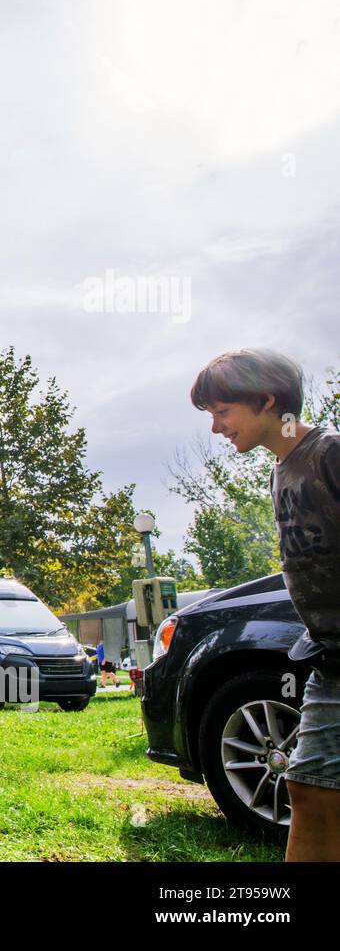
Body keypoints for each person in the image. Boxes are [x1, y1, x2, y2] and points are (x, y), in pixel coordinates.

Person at [191, 348, 340, 862]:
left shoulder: (329, 454)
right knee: (308, 789)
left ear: (266, 400)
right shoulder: (280, 472)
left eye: (221, 412)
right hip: (329, 658)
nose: (215, 428)